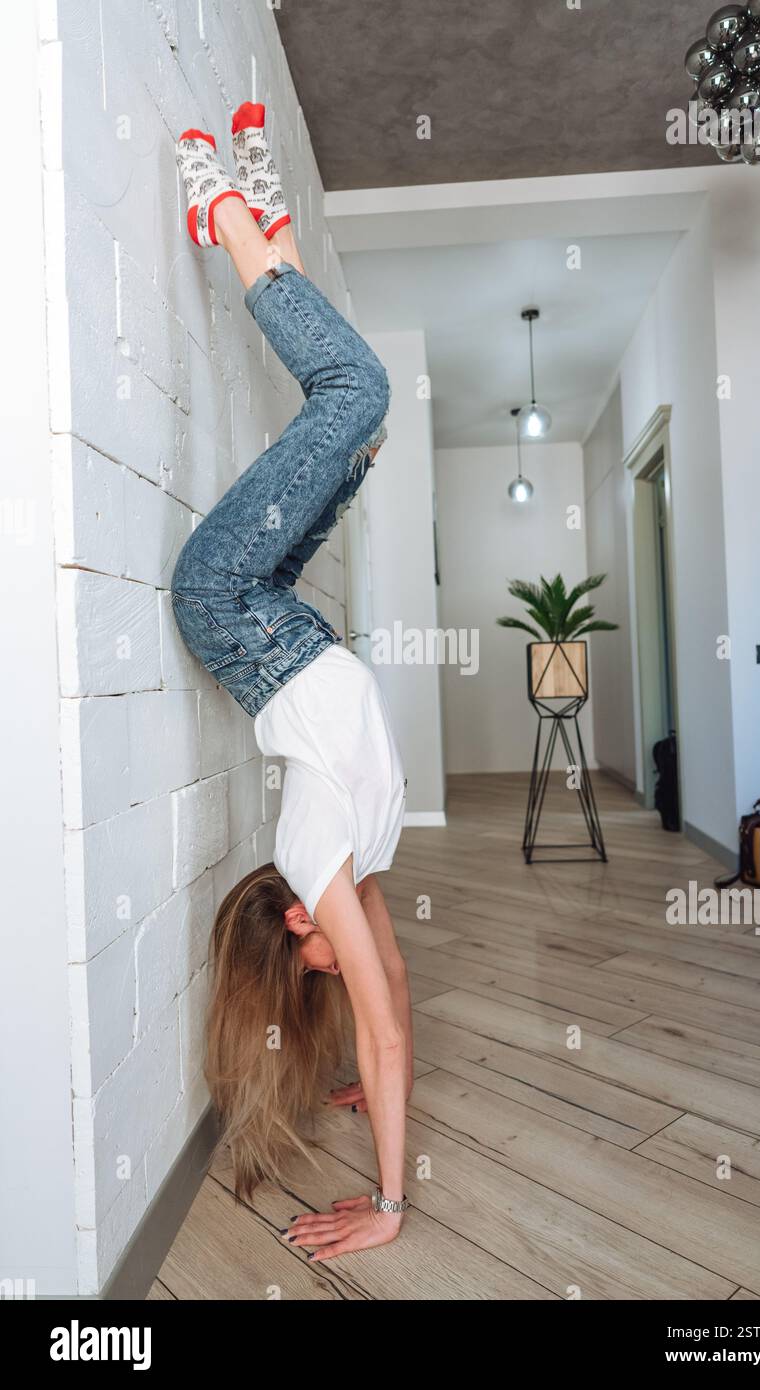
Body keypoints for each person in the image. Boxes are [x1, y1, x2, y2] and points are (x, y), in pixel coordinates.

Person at [172, 103, 412, 1262]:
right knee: (357, 444)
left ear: (296, 925)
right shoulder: (360, 872)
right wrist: (367, 1081)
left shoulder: (320, 852)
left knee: (354, 396)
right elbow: (394, 1008)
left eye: (317, 965)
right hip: (277, 621)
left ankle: (216, 208)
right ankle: (269, 228)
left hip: (231, 605)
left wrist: (390, 1202)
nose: (346, 967)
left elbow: (380, 1018)